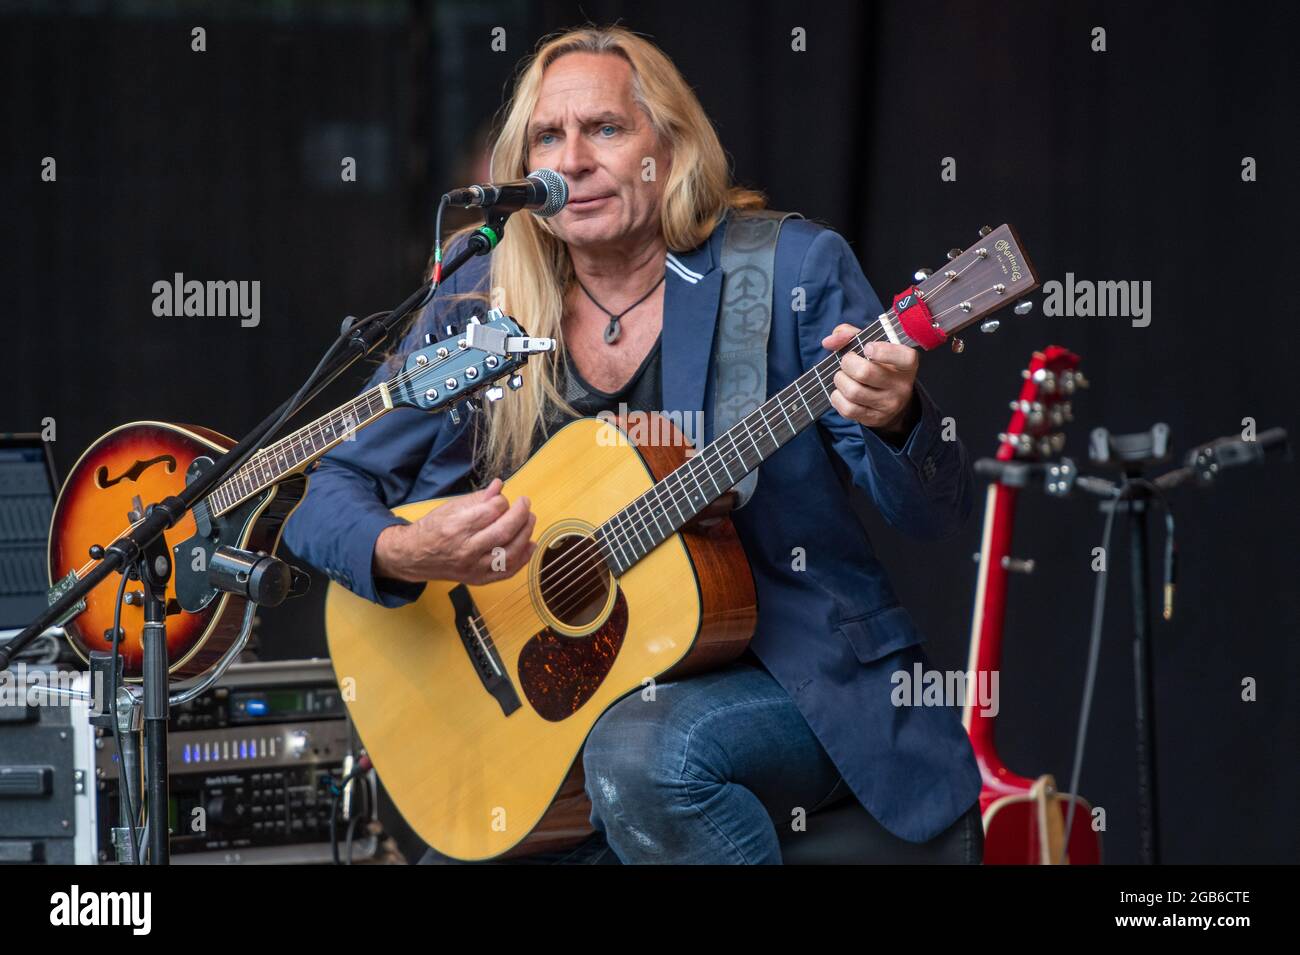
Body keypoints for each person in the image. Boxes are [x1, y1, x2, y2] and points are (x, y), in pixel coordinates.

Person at [283, 25, 983, 864]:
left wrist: (895, 416)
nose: (572, 159)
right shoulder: (481, 307)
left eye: (605, 129)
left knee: (647, 752)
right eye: (549, 135)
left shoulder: (789, 273)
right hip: (567, 705)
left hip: (792, 678)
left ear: (672, 146)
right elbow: (323, 498)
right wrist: (407, 546)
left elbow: (933, 510)